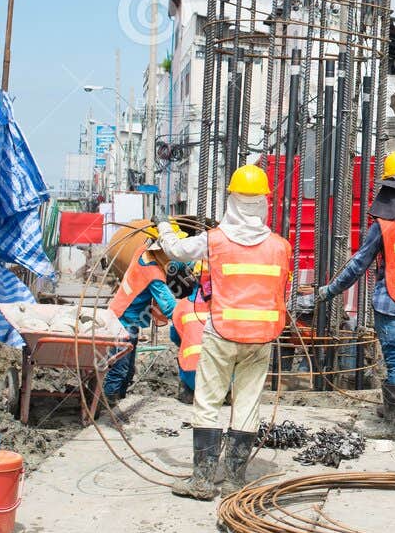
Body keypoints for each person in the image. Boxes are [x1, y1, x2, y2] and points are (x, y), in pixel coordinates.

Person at [157, 163, 293, 500]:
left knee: (208, 401)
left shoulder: (214, 239)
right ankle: (234, 478)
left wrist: (164, 228)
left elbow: (176, 251)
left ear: (231, 200)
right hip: (262, 337)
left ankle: (202, 480)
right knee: (247, 404)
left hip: (223, 332)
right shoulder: (280, 246)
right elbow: (282, 290)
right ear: (264, 202)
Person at [307, 150, 395, 440]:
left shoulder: (384, 226)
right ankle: (392, 409)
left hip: (390, 303)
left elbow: (358, 264)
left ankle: (394, 427)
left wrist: (329, 291)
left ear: (389, 187)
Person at [104, 237, 176, 402]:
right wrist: (187, 315)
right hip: (123, 322)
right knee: (119, 369)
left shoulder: (141, 253)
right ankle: (108, 403)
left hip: (123, 317)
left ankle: (118, 399)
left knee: (127, 370)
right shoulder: (154, 274)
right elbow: (169, 307)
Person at [169, 264, 210, 403]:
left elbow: (174, 337)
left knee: (183, 350)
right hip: (219, 376)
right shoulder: (221, 305)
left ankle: (189, 392)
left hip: (191, 372)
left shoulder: (181, 306)